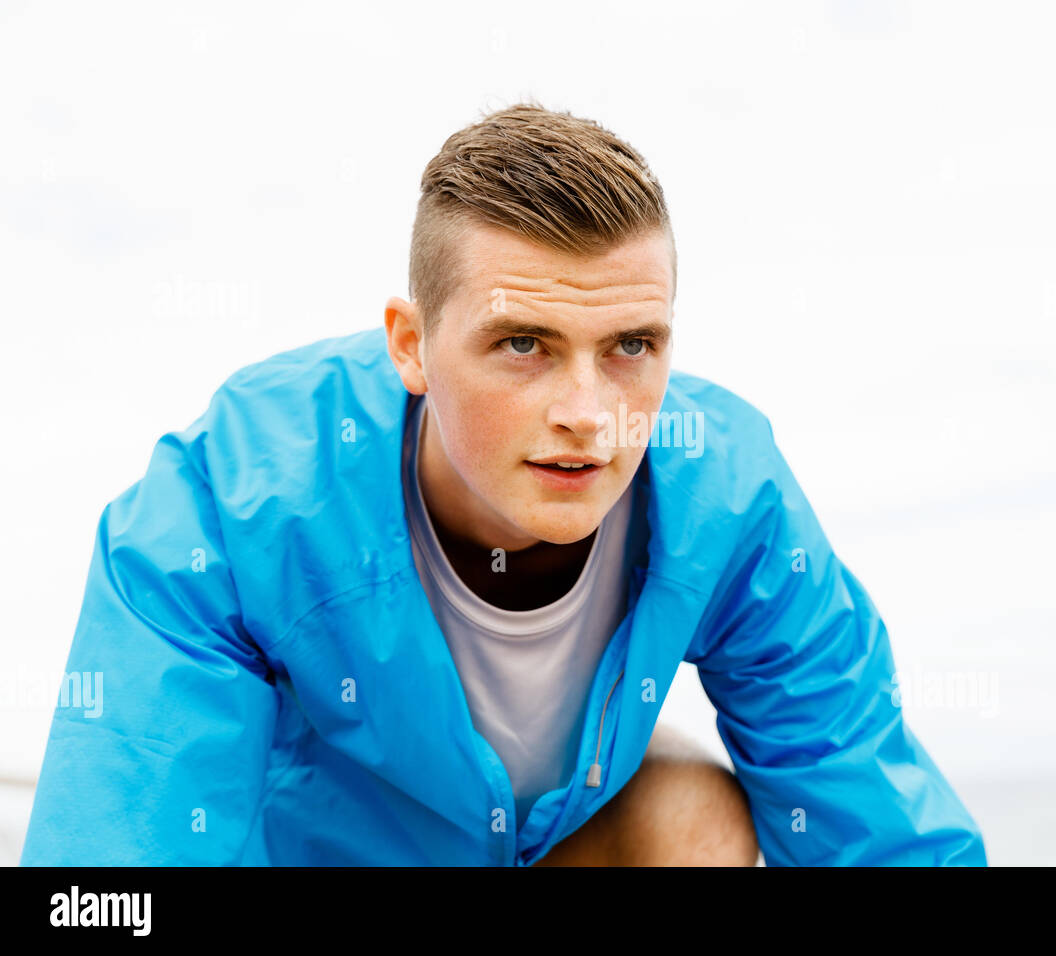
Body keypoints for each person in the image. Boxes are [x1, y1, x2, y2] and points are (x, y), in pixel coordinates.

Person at [20, 103, 987, 866]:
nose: (586, 411)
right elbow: (120, 865)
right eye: (523, 344)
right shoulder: (233, 498)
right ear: (413, 345)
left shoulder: (729, 495)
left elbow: (870, 815)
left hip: (562, 846)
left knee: (690, 817)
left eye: (630, 347)